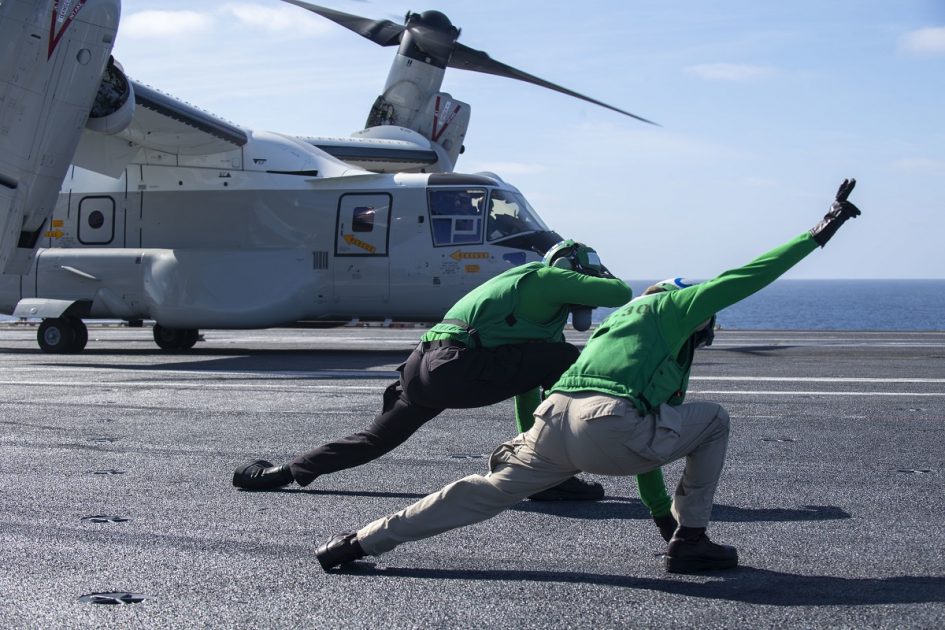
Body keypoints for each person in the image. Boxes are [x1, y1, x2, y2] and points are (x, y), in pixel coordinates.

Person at [314, 179, 863, 574]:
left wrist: (661, 526)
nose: (706, 327)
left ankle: (359, 543)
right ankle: (694, 537)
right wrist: (820, 232)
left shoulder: (613, 330)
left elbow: (641, 449)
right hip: (607, 427)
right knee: (713, 421)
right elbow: (748, 275)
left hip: (554, 426)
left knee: (474, 496)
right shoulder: (668, 309)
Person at [232, 239, 636, 502]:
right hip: (458, 367)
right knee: (565, 357)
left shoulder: (522, 298)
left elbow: (527, 391)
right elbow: (620, 293)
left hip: (424, 365)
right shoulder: (547, 278)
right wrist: (600, 274)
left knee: (374, 439)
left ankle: (278, 474)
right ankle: (551, 472)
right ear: (571, 270)